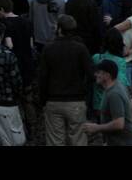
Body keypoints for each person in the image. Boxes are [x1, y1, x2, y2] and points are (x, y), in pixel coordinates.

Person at [37, 15, 92, 146]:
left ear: (60, 29)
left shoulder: (48, 48)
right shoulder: (81, 49)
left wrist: (43, 100)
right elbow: (90, 74)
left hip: (53, 100)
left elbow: (42, 77)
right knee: (78, 139)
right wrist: (84, 93)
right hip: (76, 100)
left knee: (55, 140)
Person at [83, 59, 132, 146]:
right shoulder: (118, 85)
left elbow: (119, 124)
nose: (95, 75)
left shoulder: (114, 94)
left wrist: (97, 128)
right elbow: (131, 103)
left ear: (107, 75)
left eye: (99, 72)